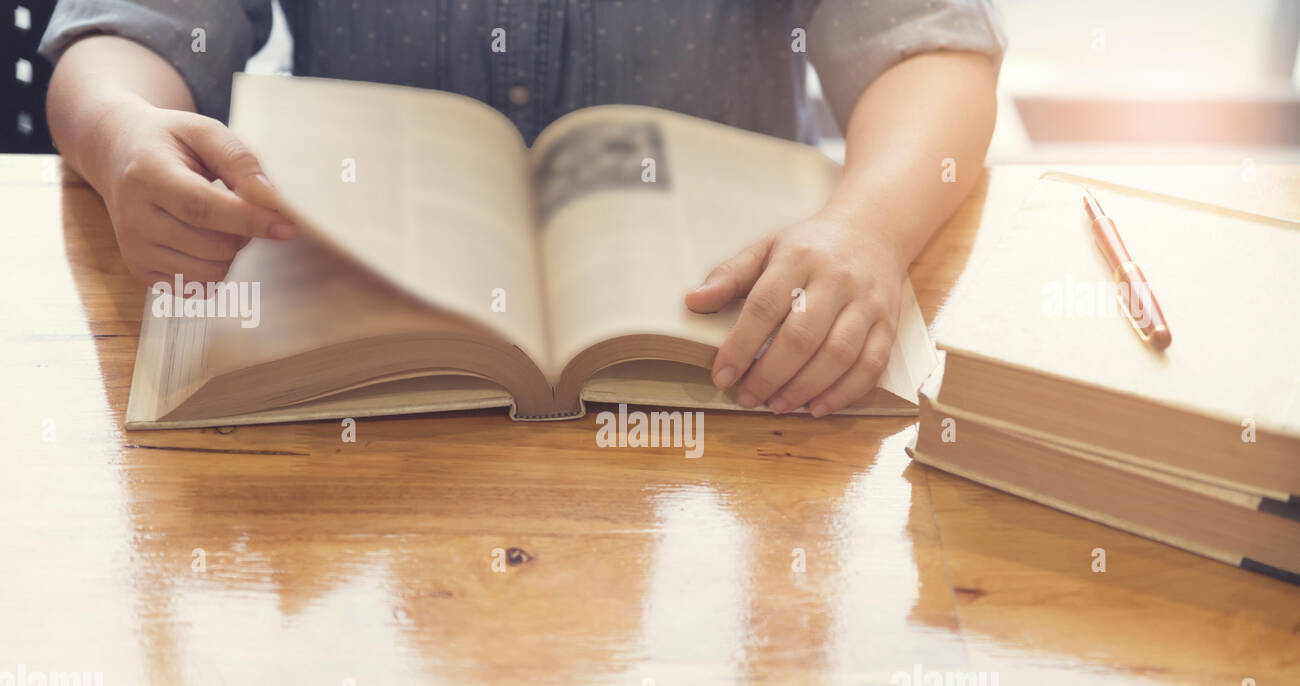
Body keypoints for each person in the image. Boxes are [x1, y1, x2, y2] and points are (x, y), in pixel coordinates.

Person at [41, 1, 1004, 416]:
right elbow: (124, 32)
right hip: (367, 382)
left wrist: (864, 229)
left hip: (730, 379)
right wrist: (122, 132)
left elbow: (930, 49)